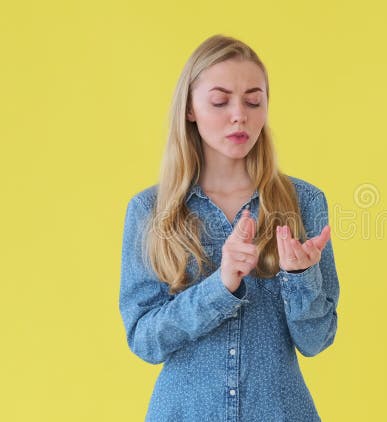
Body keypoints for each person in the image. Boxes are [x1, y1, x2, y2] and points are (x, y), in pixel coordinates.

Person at [118, 34, 340, 422]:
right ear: (190, 108)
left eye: (254, 101)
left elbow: (316, 340)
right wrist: (220, 286)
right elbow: (145, 340)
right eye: (220, 101)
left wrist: (300, 276)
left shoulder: (304, 203)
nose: (240, 114)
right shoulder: (149, 211)